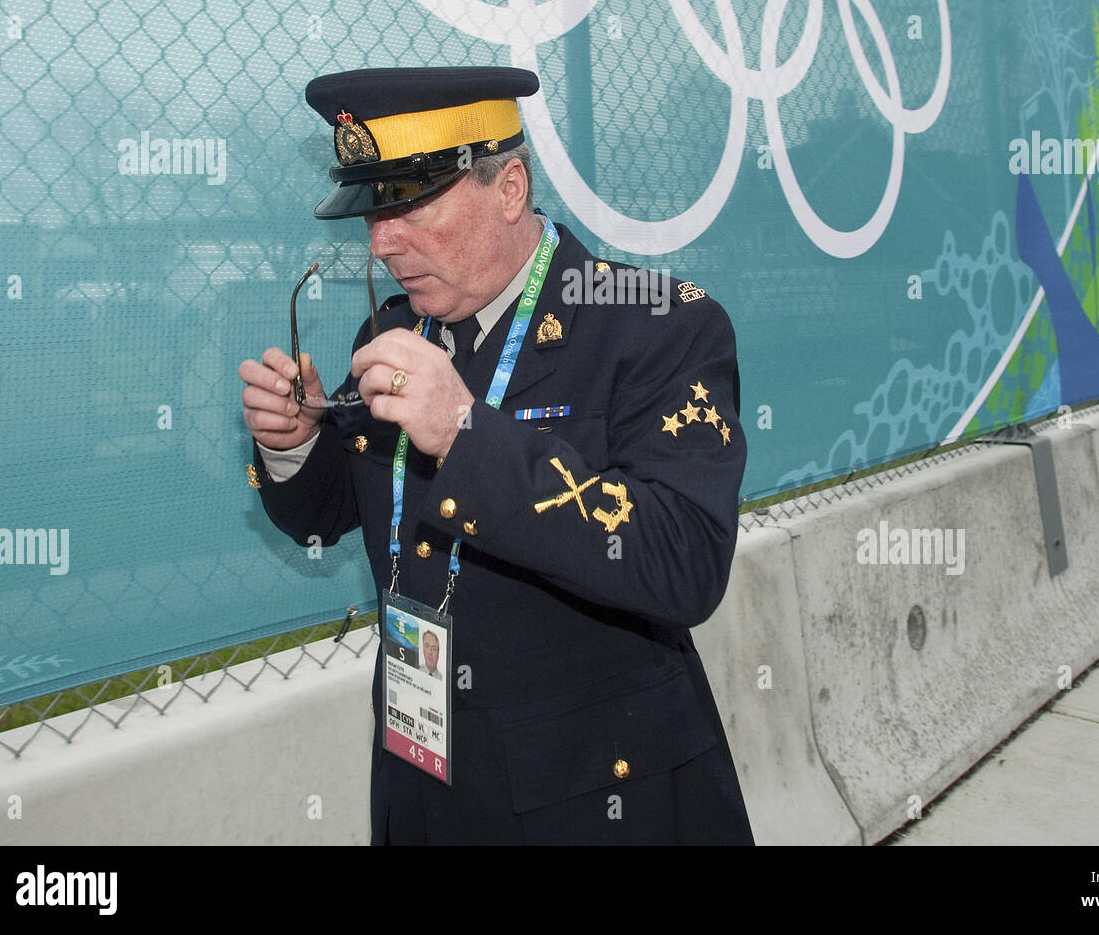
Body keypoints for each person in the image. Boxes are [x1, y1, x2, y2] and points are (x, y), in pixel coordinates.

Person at [240, 66, 753, 844]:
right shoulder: (391, 333)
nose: (382, 240)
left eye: (411, 203)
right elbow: (336, 513)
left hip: (593, 799)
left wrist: (465, 432)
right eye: (374, 210)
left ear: (509, 188)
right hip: (424, 784)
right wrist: (294, 444)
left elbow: (685, 561)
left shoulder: (655, 326)